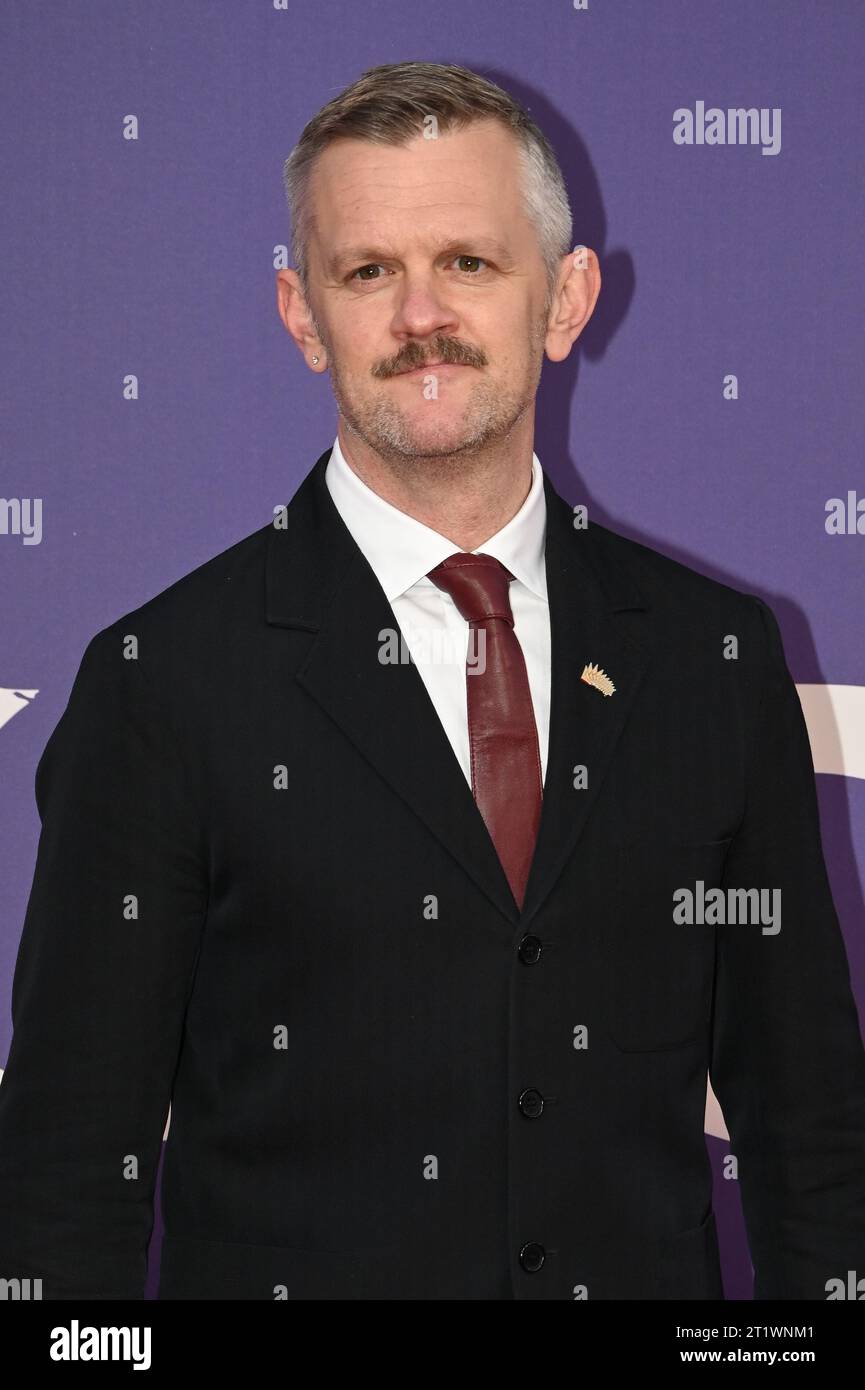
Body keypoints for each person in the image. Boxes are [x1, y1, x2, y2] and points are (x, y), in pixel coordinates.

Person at [1, 60, 863, 1301]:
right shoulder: (163, 684)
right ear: (301, 316)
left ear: (565, 302)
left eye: (467, 260)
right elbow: (68, 1172)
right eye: (368, 272)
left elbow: (811, 1119)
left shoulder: (710, 660)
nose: (420, 314)